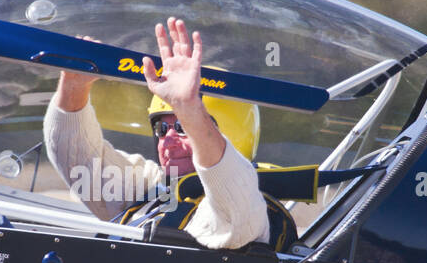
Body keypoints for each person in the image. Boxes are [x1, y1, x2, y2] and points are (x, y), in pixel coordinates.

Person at [42, 17, 273, 250]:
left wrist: (189, 108)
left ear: (232, 132)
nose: (168, 141)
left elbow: (232, 193)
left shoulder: (251, 207)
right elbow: (76, 159)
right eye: (162, 129)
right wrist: (74, 86)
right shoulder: (154, 187)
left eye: (183, 127)